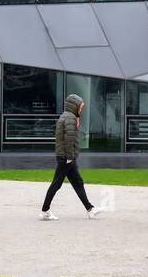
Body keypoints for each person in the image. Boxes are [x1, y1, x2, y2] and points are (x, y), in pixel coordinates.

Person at [39, 93, 103, 221]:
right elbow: (69, 139)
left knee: (78, 182)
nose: (81, 109)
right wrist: (70, 157)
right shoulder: (70, 118)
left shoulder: (67, 116)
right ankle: (45, 210)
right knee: (56, 184)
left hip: (66, 156)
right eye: (80, 107)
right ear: (74, 106)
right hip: (66, 157)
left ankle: (90, 209)